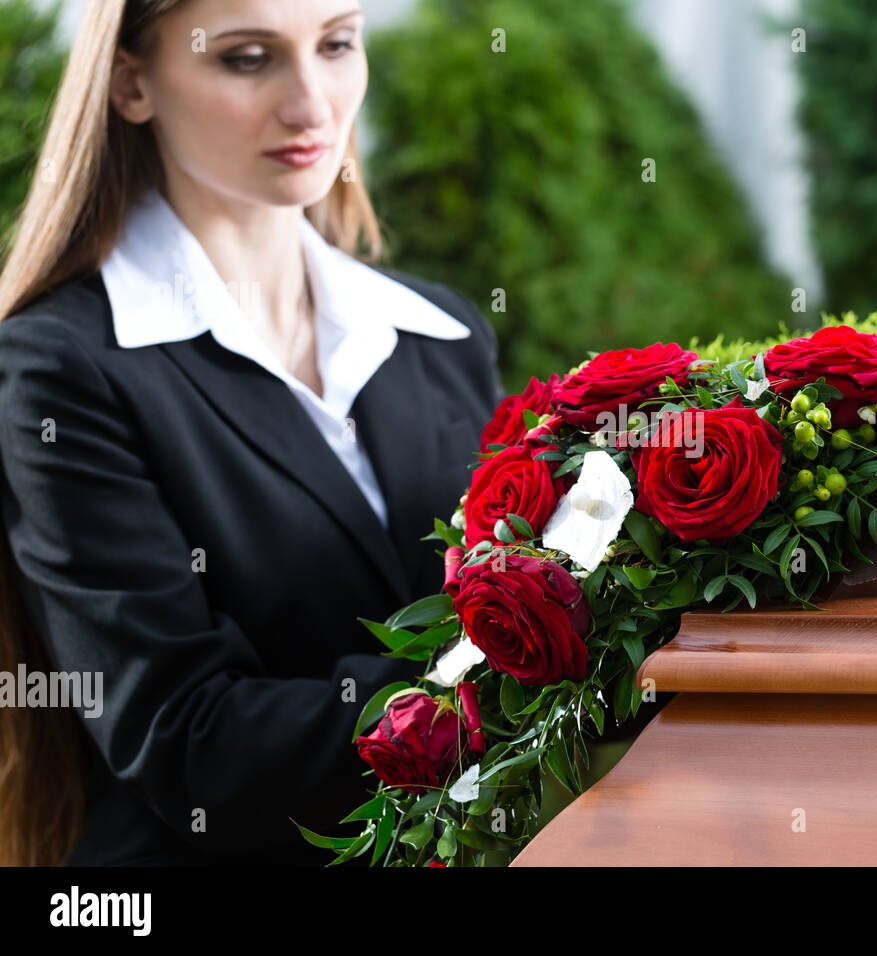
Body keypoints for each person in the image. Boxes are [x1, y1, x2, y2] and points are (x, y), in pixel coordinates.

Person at [0, 0, 504, 866]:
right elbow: (191, 739)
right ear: (131, 84)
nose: (312, 104)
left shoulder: (441, 335)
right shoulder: (60, 368)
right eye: (246, 58)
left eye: (337, 44)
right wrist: (518, 680)